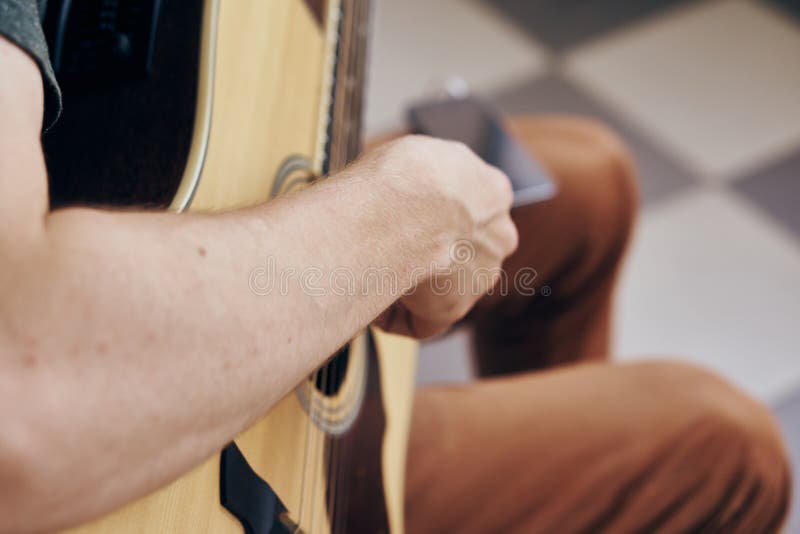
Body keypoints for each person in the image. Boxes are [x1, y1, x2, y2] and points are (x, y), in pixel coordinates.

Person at [0, 2, 791, 532]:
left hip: (130, 208)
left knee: (590, 182)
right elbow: (23, 388)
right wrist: (405, 213)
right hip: (156, 461)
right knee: (728, 445)